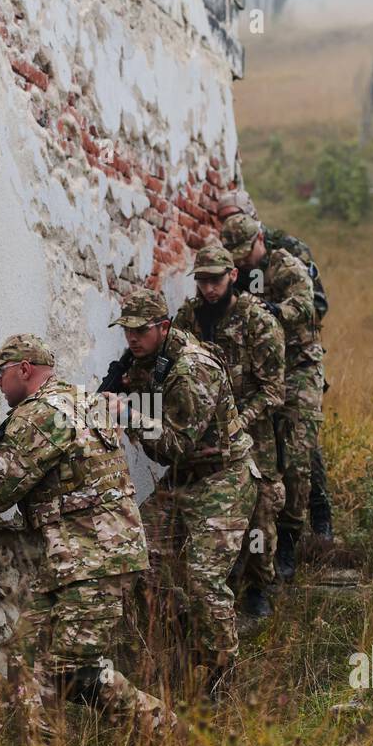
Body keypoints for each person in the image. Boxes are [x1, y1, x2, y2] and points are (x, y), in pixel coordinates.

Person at [0, 334, 173, 746]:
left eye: (0, 374)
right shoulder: (84, 400)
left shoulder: (38, 416)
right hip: (78, 559)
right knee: (25, 660)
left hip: (92, 560)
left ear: (24, 369)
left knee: (76, 669)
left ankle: (165, 731)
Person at [105, 288, 258, 696]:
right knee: (136, 555)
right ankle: (184, 643)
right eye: (127, 331)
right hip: (185, 478)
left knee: (205, 579)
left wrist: (128, 414)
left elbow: (174, 445)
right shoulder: (148, 359)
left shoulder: (192, 368)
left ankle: (220, 678)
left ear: (164, 327)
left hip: (223, 477)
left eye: (140, 330)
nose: (132, 339)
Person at [172, 245, 286, 623]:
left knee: (261, 514)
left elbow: (274, 390)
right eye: (202, 280)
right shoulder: (188, 318)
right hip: (206, 442)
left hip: (254, 439)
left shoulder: (258, 320)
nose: (208, 288)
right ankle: (218, 588)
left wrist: (237, 417)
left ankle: (259, 589)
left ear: (233, 276)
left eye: (215, 280)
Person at [217, 190, 335, 542]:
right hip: (263, 371)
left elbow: (311, 305)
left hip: (299, 363)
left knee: (301, 448)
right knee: (268, 453)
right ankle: (264, 535)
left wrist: (271, 315)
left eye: (235, 214)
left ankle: (310, 520)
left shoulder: (288, 257)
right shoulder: (236, 266)